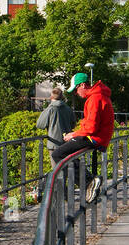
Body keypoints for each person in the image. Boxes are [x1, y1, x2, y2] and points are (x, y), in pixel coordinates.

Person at [52, 72, 114, 202]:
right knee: (66, 153)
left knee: (58, 154)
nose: (76, 93)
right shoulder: (99, 95)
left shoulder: (94, 98)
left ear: (83, 85)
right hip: (99, 136)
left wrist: (74, 134)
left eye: (76, 90)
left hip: (95, 138)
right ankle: (88, 181)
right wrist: (76, 133)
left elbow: (91, 127)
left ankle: (89, 182)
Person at [37, 86, 77, 160]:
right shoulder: (68, 109)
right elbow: (73, 125)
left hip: (54, 144)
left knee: (56, 169)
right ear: (62, 97)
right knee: (67, 168)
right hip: (67, 143)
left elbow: (40, 125)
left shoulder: (50, 109)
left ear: (51, 96)